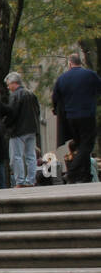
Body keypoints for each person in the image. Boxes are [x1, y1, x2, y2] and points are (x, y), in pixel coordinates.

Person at [50, 52, 101, 184]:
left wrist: (56, 109)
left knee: (79, 144)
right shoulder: (90, 75)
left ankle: (85, 175)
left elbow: (55, 98)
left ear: (70, 64)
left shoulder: (62, 78)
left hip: (70, 117)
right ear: (80, 63)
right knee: (87, 145)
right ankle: (72, 173)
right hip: (87, 115)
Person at [4, 72, 40, 188]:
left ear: (14, 83)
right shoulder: (31, 94)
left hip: (18, 130)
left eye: (8, 84)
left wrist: (5, 125)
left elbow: (12, 114)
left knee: (17, 156)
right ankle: (31, 180)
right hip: (32, 129)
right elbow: (37, 111)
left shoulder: (15, 96)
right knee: (31, 155)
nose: (8, 87)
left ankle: (20, 181)